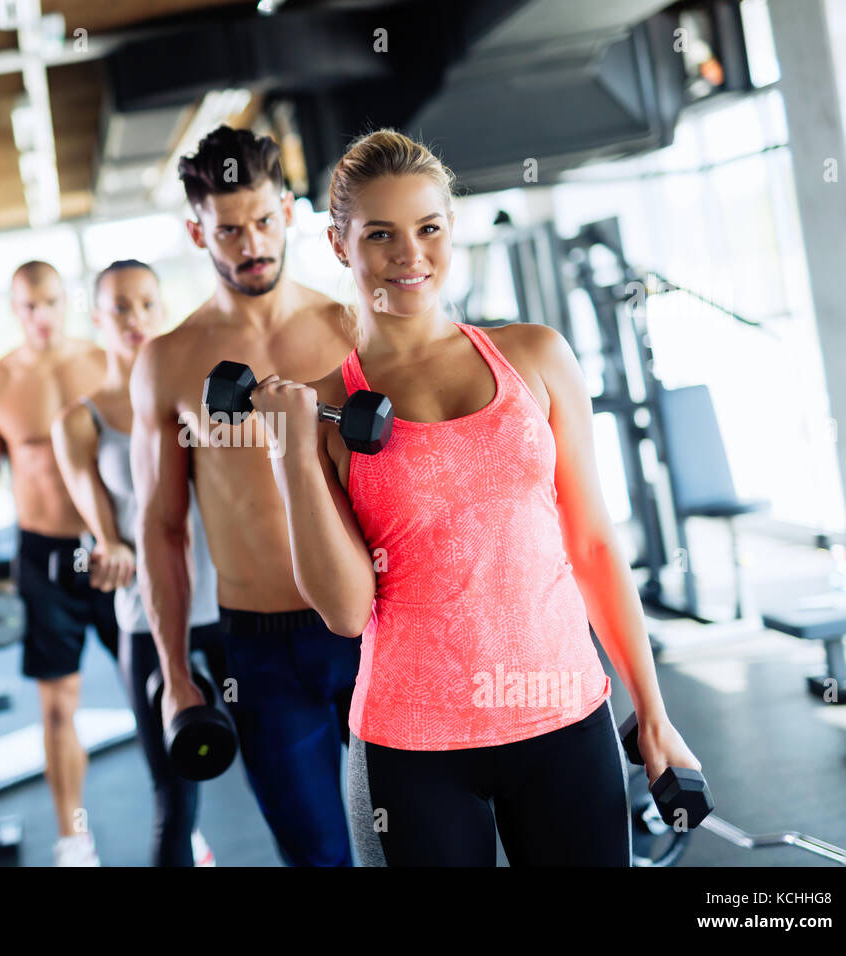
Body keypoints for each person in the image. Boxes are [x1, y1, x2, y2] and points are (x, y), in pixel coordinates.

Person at [250, 128, 702, 866]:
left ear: (451, 227)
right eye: (380, 235)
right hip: (412, 743)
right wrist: (289, 454)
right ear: (338, 243)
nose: (409, 255)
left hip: (564, 715)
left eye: (428, 227)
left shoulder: (537, 355)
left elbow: (590, 545)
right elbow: (343, 610)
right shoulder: (327, 407)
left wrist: (652, 713)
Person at [131, 126, 361, 866]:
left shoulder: (349, 327)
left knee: (421, 840)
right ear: (198, 231)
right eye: (228, 230)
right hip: (258, 650)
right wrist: (172, 677)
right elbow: (162, 529)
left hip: (372, 624)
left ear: (288, 212)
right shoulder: (167, 362)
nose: (250, 242)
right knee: (317, 853)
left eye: (263, 221)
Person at [51, 259, 221, 867]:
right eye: (120, 307)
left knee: (280, 777)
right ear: (97, 318)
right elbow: (103, 530)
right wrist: (111, 547)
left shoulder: (202, 396)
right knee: (175, 795)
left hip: (230, 608)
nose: (135, 319)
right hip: (150, 621)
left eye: (147, 304)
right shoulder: (80, 420)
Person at [0, 259, 118, 867]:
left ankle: (179, 823)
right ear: (13, 310)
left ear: (67, 301)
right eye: (28, 306)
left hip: (113, 548)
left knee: (155, 687)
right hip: (44, 556)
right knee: (57, 704)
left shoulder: (102, 364)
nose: (41, 316)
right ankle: (74, 839)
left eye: (50, 302)